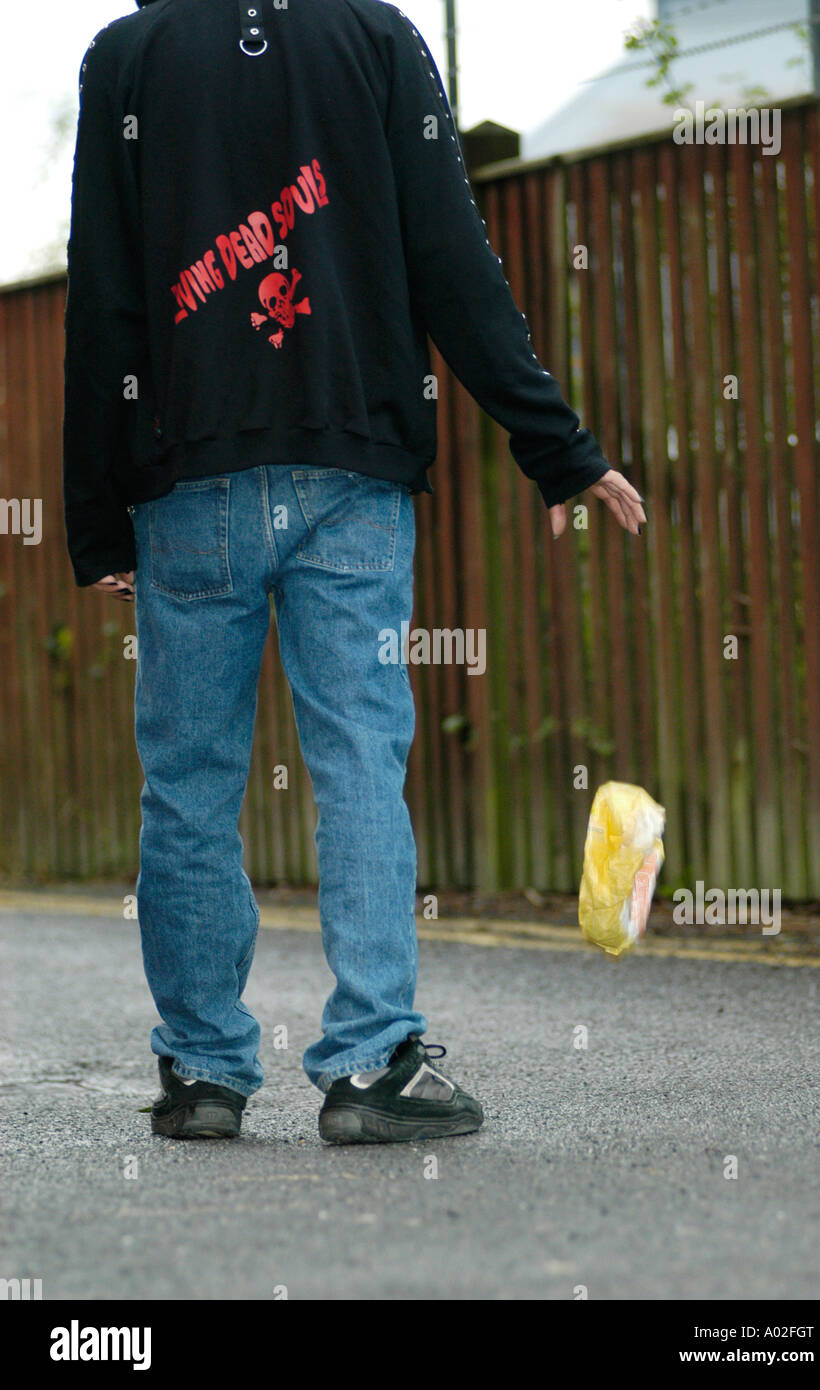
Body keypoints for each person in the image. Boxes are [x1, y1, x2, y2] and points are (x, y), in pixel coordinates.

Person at [63, 0, 646, 1145]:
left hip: (187, 479)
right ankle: (372, 1066)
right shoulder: (376, 38)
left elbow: (107, 291)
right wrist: (560, 448)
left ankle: (204, 1073)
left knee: (186, 783)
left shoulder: (127, 56)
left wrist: (99, 516)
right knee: (359, 765)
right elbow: (450, 259)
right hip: (352, 472)